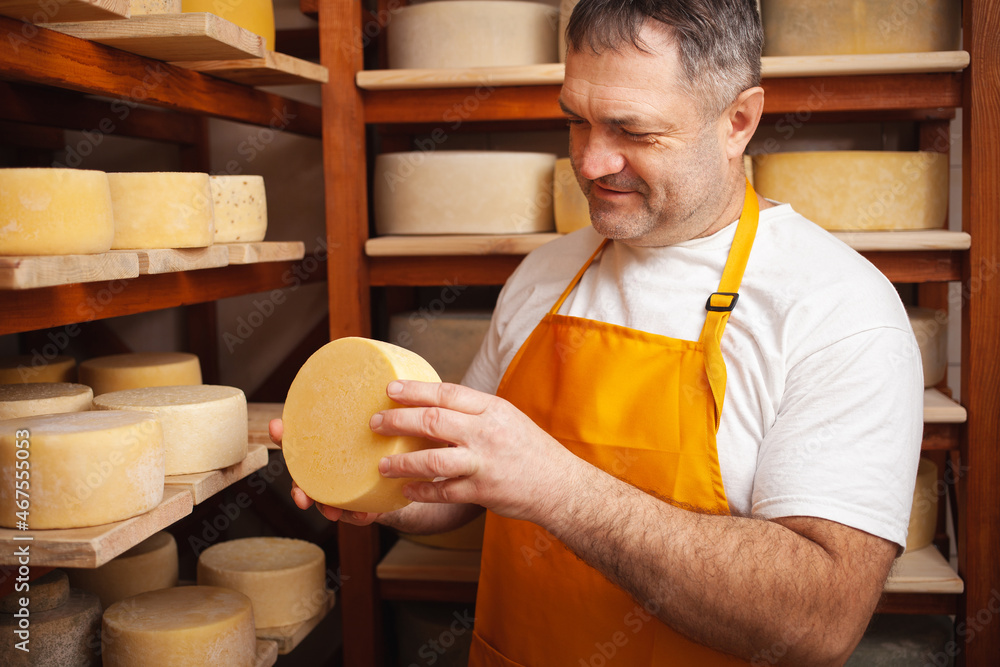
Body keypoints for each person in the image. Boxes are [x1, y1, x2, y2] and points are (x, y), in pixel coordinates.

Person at [271, 0, 923, 664]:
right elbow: (459, 484)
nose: (588, 160)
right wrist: (382, 488)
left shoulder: (839, 309)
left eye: (631, 130)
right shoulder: (543, 274)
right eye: (575, 120)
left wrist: (557, 487)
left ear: (738, 121)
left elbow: (819, 621)